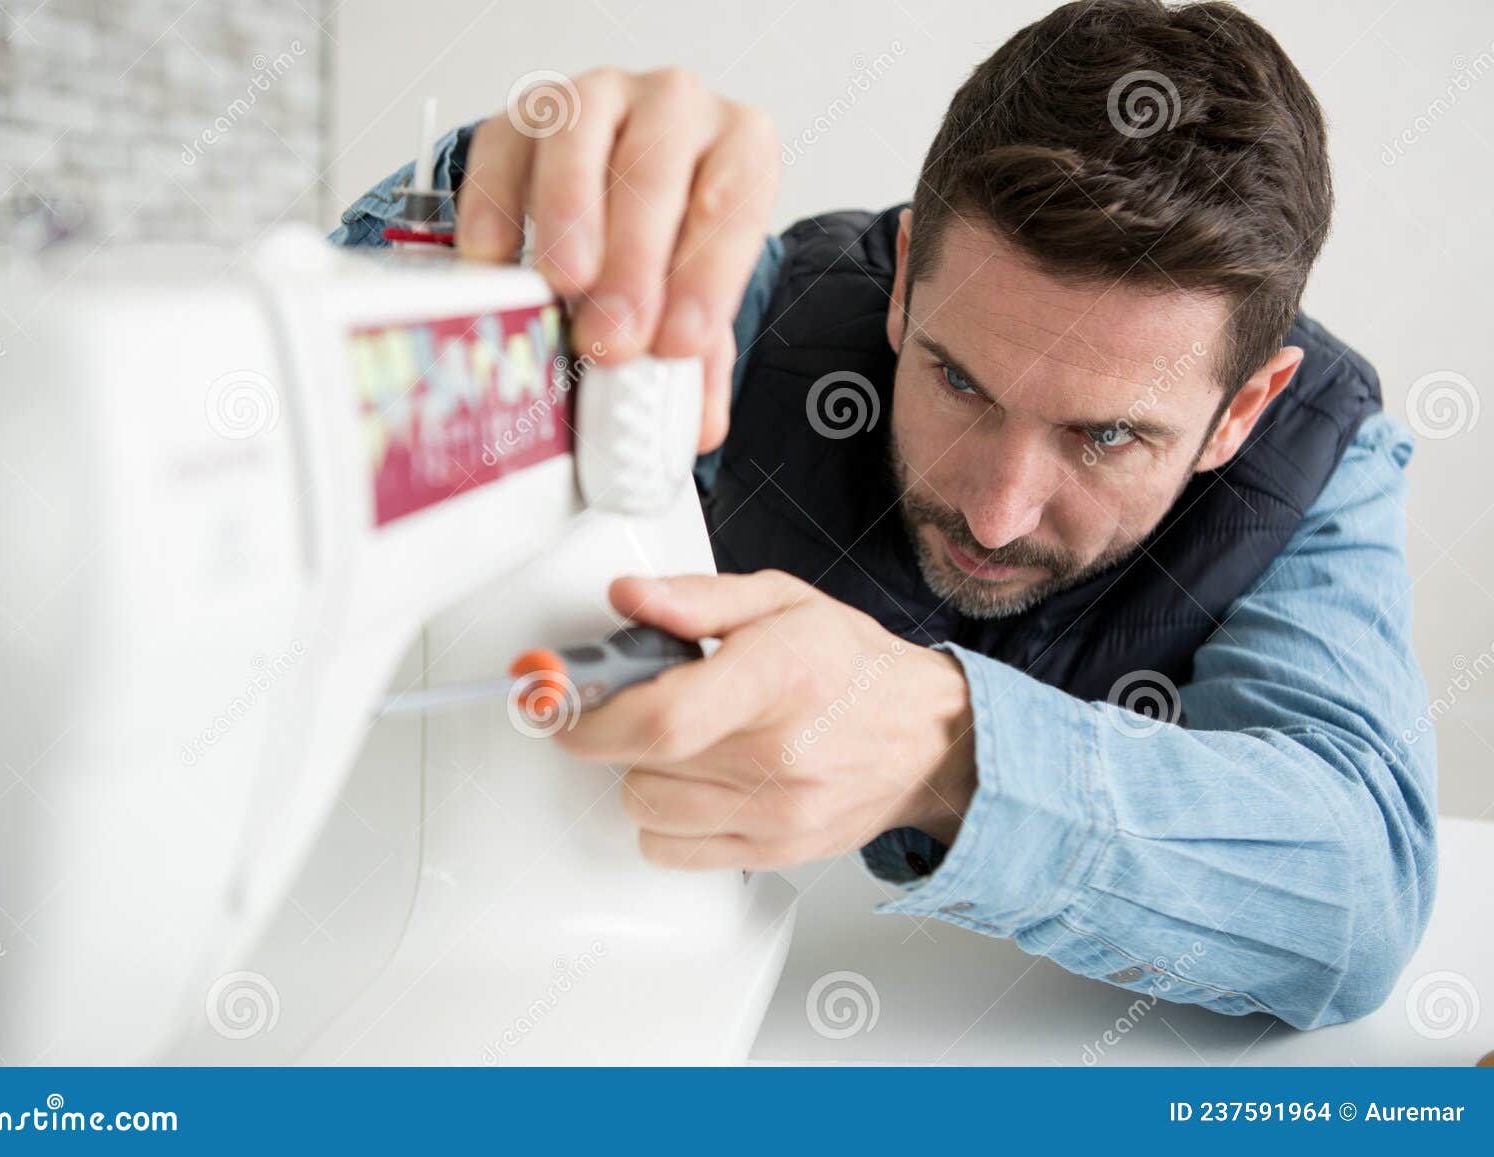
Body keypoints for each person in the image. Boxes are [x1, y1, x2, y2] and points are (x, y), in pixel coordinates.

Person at [332, 0, 1434, 1030]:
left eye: (1105, 436)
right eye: (960, 381)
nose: (997, 514)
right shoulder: (741, 315)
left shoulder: (1316, 466)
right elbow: (352, 421)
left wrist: (943, 750)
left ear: (1243, 409)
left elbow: (1356, 892)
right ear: (906, 278)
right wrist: (495, 215)